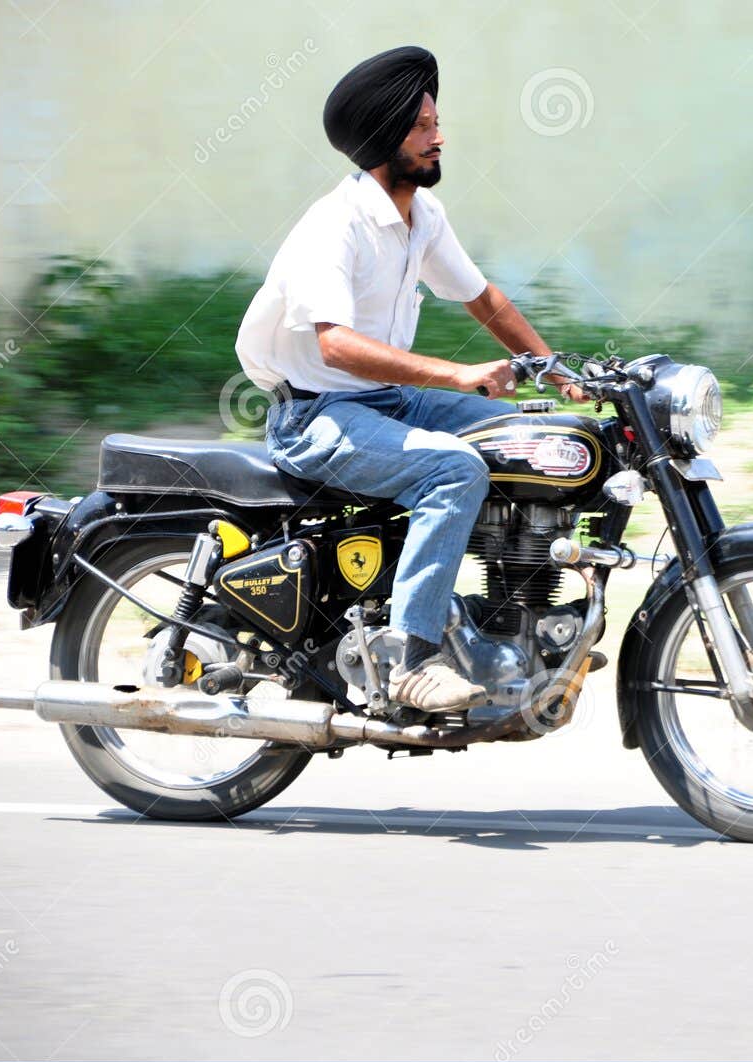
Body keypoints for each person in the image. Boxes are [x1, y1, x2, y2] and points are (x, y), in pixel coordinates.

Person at [236, 45, 580, 713]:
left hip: (383, 404)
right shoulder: (333, 226)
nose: (439, 138)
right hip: (316, 416)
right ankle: (409, 658)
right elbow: (334, 345)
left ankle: (508, 618)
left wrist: (556, 371)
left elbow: (484, 300)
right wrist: (458, 374)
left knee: (536, 440)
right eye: (424, 127)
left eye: (435, 123)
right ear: (383, 139)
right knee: (453, 470)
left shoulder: (422, 217)